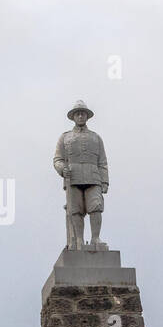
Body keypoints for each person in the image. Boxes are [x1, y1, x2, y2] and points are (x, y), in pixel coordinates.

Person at [53, 100, 109, 249]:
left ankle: (95, 238)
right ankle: (78, 240)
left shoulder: (96, 138)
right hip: (73, 178)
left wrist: (104, 182)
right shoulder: (64, 137)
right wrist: (62, 169)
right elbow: (57, 159)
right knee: (75, 210)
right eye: (77, 114)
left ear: (87, 116)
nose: (80, 116)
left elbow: (102, 161)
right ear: (73, 117)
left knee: (96, 206)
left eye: (82, 113)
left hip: (93, 177)